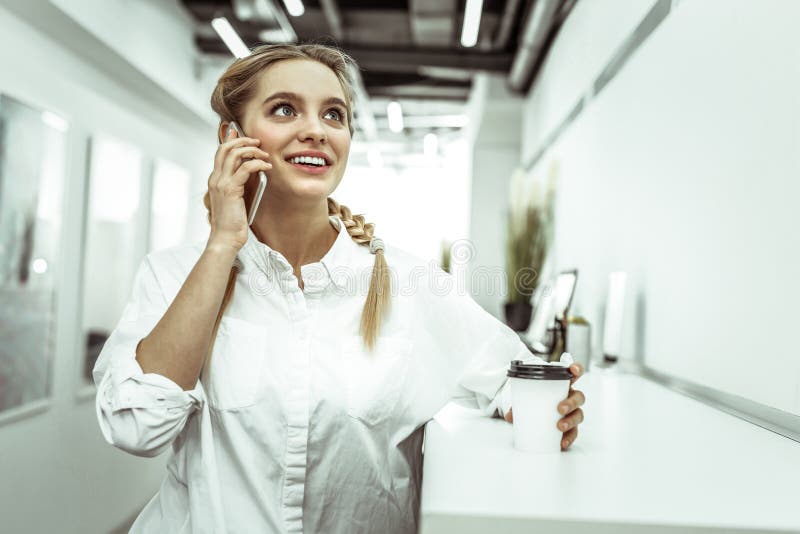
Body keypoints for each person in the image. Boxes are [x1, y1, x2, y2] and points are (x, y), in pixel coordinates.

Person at [93, 43, 586, 534]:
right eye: (284, 109)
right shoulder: (174, 274)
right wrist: (223, 244)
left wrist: (548, 410)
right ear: (232, 137)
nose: (316, 130)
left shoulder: (409, 286)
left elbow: (512, 375)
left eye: (334, 115)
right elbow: (137, 426)